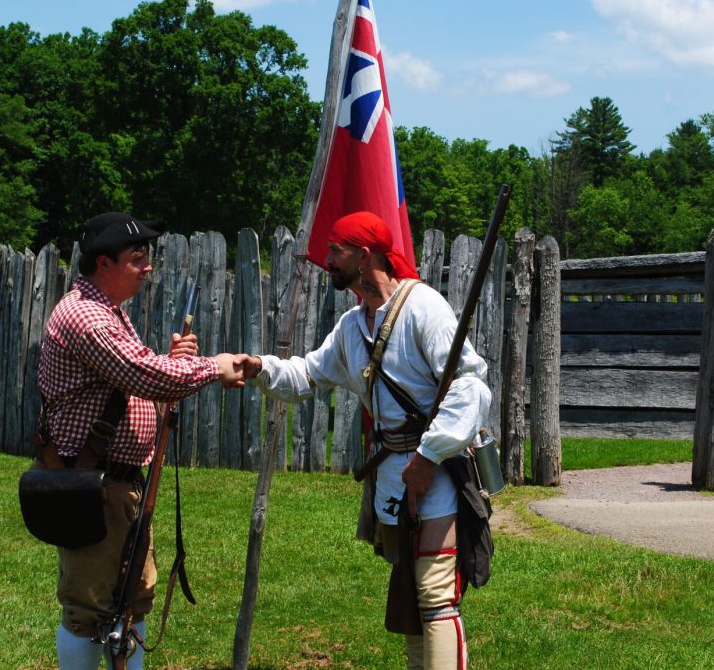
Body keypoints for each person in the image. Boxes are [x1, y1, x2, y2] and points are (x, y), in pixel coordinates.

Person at [234, 211, 491, 670]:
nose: (328, 259)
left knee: (435, 595)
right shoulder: (353, 325)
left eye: (337, 250)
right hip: (393, 477)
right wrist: (260, 367)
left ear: (365, 254)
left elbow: (470, 386)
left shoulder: (423, 307)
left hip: (438, 472)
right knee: (411, 594)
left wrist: (428, 457)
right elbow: (309, 374)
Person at [36, 211, 243, 670]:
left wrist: (174, 365)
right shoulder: (86, 318)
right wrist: (213, 367)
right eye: (137, 258)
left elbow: (138, 377)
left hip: (117, 484)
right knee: (88, 607)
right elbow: (143, 374)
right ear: (103, 263)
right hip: (91, 487)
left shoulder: (109, 312)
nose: (147, 266)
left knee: (133, 597)